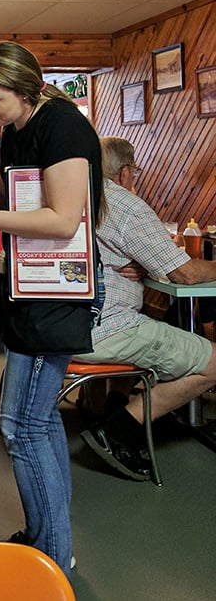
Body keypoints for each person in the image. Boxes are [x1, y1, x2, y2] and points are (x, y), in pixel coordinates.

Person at [0, 40, 104, 578]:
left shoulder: (63, 127)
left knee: (21, 425)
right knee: (37, 424)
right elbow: (0, 192)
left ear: (25, 88)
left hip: (55, 292)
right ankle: (48, 537)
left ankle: (52, 558)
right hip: (27, 286)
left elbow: (63, 220)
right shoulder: (17, 129)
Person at [74, 136, 216, 480]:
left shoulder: (78, 193)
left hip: (69, 321)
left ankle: (112, 406)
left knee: (154, 322)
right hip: (106, 326)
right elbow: (183, 272)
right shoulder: (126, 206)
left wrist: (140, 261)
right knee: (214, 363)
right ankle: (118, 430)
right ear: (125, 173)